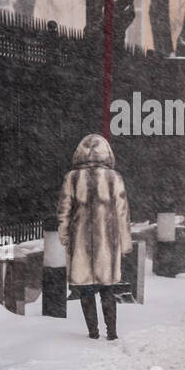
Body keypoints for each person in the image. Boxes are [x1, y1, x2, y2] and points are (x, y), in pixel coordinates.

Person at [55, 133, 131, 341]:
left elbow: (64, 210)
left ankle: (93, 332)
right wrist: (124, 244)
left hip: (80, 241)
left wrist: (64, 236)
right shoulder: (114, 178)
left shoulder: (72, 178)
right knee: (107, 288)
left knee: (86, 290)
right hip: (108, 241)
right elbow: (122, 213)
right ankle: (112, 332)